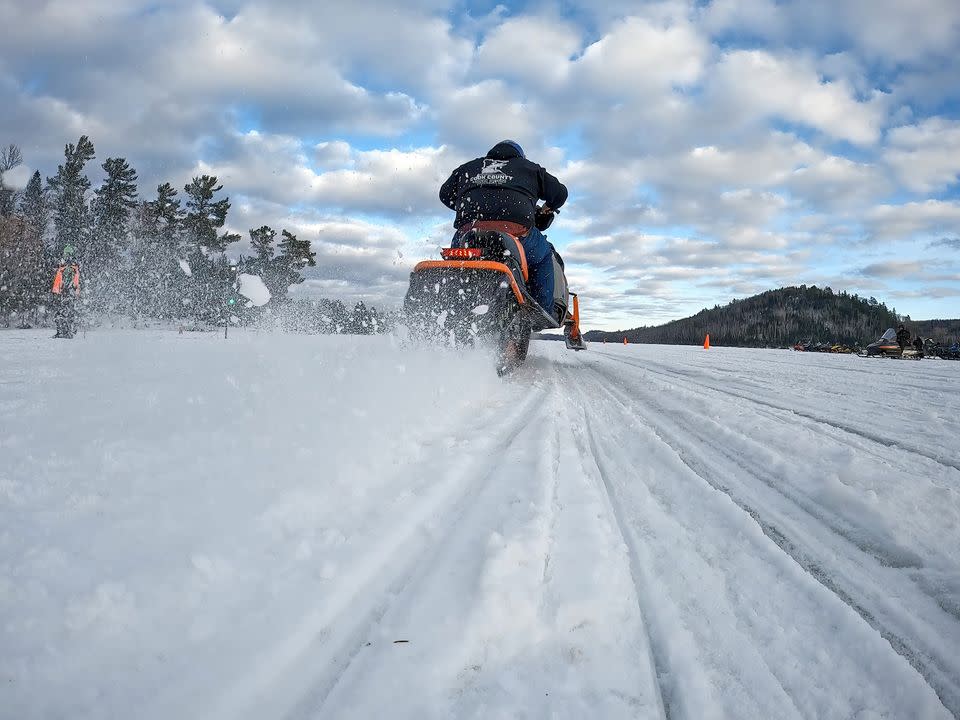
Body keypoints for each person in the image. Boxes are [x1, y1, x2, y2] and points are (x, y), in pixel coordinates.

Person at [439, 140, 568, 315]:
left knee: (457, 265)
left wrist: (471, 204)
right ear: (520, 156)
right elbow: (560, 194)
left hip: (468, 235)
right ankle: (542, 309)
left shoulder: (469, 167)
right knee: (545, 255)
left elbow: (445, 194)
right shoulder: (529, 168)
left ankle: (453, 305)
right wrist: (546, 209)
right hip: (516, 234)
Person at [51, 246, 81, 338]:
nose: (64, 256)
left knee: (64, 313)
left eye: (66, 254)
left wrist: (64, 290)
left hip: (66, 292)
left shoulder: (68, 267)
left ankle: (66, 332)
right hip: (65, 292)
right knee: (64, 313)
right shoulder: (68, 267)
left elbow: (70, 281)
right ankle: (64, 332)